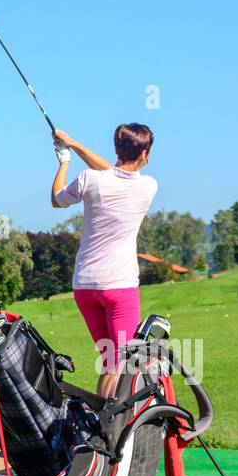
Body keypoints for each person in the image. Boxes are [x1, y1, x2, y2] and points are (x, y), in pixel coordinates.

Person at [50, 124, 157, 398]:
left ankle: (101, 424)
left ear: (116, 147)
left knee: (110, 362)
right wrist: (73, 143)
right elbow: (113, 171)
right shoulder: (148, 186)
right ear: (145, 153)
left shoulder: (90, 179)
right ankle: (110, 432)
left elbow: (57, 199)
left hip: (85, 286)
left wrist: (65, 159)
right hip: (119, 286)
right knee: (120, 364)